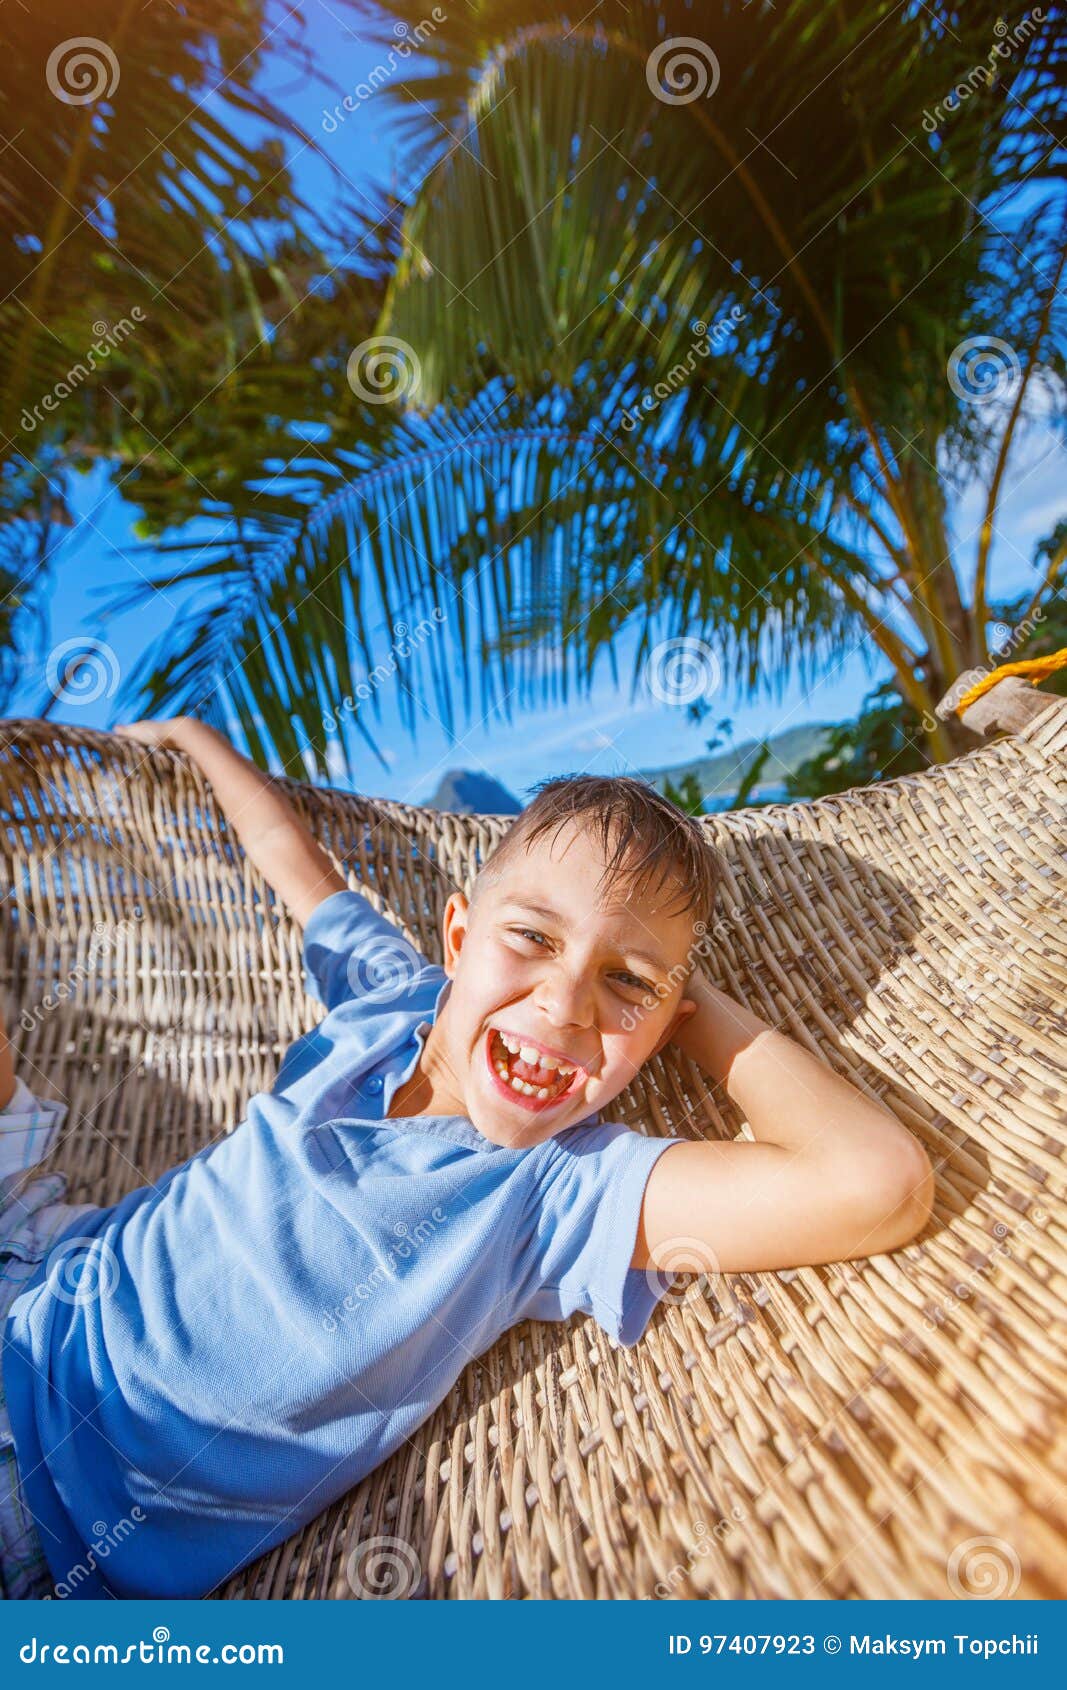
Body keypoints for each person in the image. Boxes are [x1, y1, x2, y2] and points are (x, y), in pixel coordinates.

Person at [0, 717, 934, 1599]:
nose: (565, 1005)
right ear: (457, 939)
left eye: (626, 983)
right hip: (43, 1258)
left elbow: (874, 1184)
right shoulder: (385, 999)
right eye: (531, 937)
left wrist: (693, 1011)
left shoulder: (555, 1192)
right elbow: (290, 858)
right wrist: (192, 739)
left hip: (49, 1504)